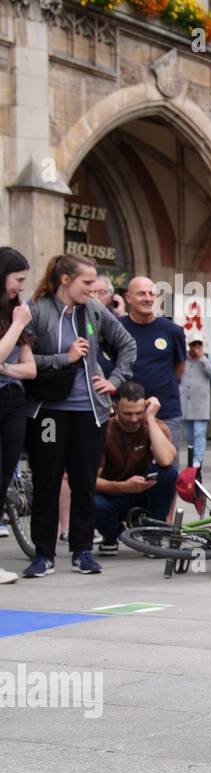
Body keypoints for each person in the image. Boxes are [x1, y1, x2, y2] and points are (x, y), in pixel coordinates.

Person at [23, 253, 137, 577]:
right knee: (47, 479)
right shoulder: (37, 311)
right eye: (87, 282)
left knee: (84, 481)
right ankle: (43, 553)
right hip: (48, 412)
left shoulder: (95, 311)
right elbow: (25, 360)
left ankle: (83, 550)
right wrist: (65, 358)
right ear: (65, 280)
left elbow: (127, 345)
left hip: (90, 411)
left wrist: (113, 381)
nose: (94, 288)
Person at [93, 383, 177, 555]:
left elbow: (167, 460)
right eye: (127, 413)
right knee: (92, 500)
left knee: (168, 473)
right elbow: (89, 480)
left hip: (144, 494)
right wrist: (124, 486)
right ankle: (112, 536)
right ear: (115, 408)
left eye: (138, 413)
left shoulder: (154, 426)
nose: (133, 419)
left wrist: (151, 418)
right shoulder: (103, 431)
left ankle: (153, 535)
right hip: (114, 494)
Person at [0, 248, 36, 584]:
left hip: (12, 401)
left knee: (4, 474)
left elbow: (30, 368)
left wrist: (5, 368)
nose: (20, 288)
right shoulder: (17, 317)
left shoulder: (15, 312)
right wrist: (18, 323)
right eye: (18, 280)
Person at [116, 276, 186, 444]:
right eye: (141, 294)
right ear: (128, 298)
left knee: (167, 467)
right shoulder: (117, 328)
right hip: (128, 413)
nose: (147, 298)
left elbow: (180, 366)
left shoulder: (173, 330)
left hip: (166, 412)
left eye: (151, 294)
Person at [179, 333, 211, 467]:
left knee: (199, 432)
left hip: (201, 403)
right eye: (193, 344)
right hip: (186, 401)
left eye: (199, 344)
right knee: (189, 435)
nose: (196, 347)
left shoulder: (209, 358)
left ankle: (198, 460)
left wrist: (203, 359)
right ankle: (192, 458)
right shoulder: (182, 357)